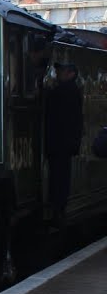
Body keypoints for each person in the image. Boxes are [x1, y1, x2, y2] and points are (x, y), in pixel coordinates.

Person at [44, 62, 83, 226]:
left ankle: (57, 211)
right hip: (65, 143)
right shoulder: (71, 90)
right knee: (61, 177)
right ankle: (58, 210)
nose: (58, 73)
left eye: (62, 71)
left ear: (71, 73)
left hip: (60, 143)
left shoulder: (65, 91)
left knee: (58, 178)